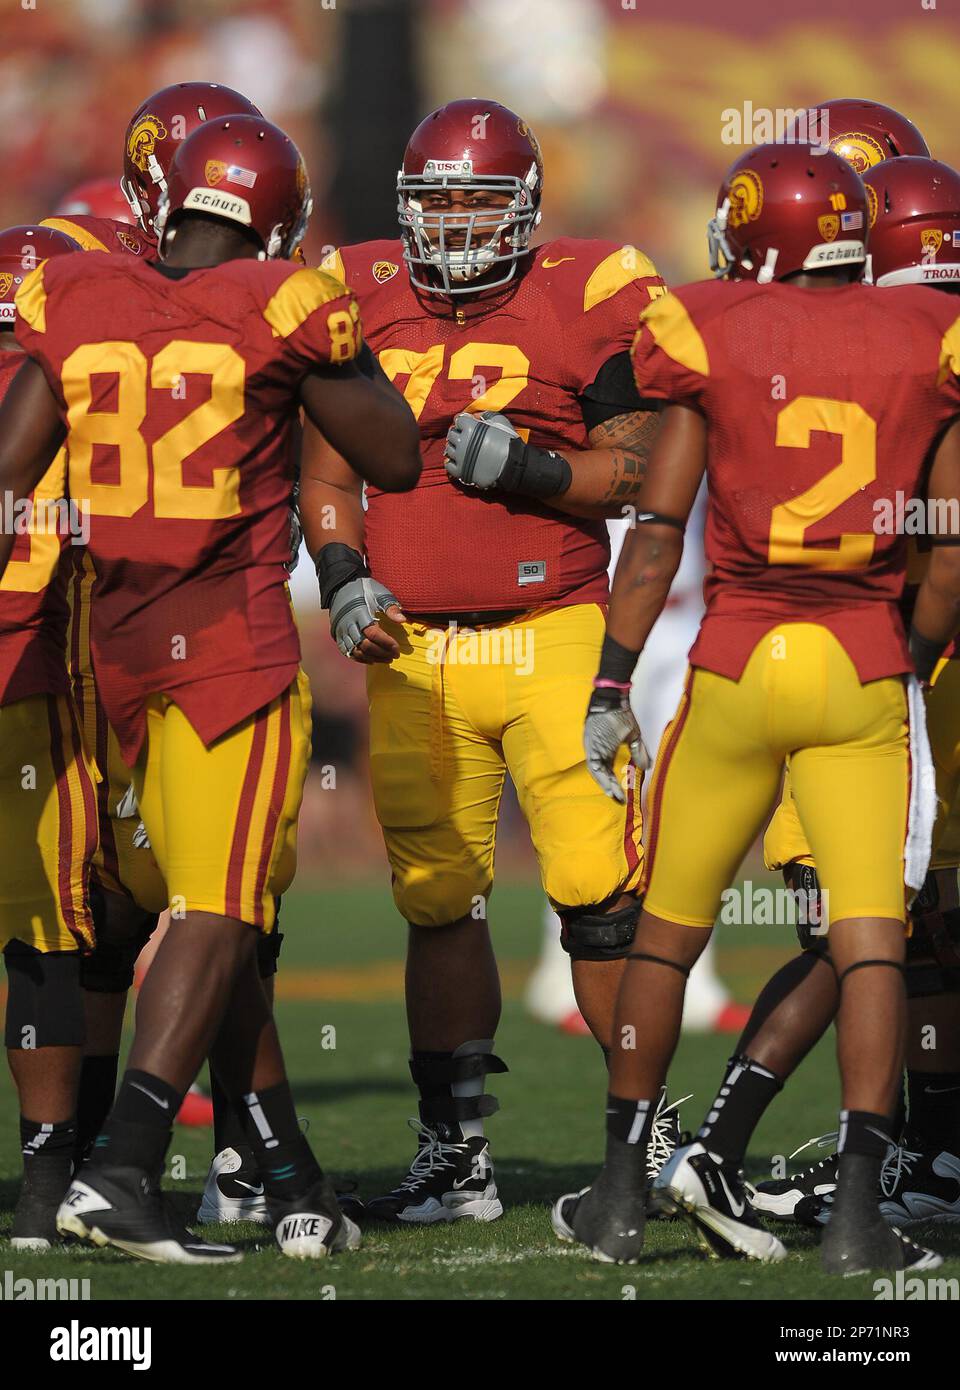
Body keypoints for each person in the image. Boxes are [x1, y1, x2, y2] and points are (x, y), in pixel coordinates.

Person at [0, 114, 421, 1263]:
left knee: (167, 907)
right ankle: (126, 1169)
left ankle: (275, 1167)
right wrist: (327, 352)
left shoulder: (78, 294)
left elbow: (6, 473)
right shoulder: (285, 304)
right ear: (277, 220)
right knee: (225, 905)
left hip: (112, 654)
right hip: (227, 646)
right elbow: (394, 455)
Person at [557, 140, 960, 1275]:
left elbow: (652, 539)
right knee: (871, 943)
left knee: (669, 935)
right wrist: (905, 659)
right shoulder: (928, 338)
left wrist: (608, 680)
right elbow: (947, 555)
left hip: (736, 662)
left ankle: (623, 1196)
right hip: (859, 663)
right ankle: (858, 1218)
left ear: (753, 239)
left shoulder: (708, 328)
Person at [301, 97, 676, 1223]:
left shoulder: (588, 290)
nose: (455, 228)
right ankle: (452, 1152)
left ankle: (640, 1143)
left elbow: (649, 473)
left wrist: (541, 472)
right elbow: (327, 476)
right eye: (436, 205)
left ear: (525, 209)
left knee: (603, 902)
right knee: (437, 904)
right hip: (413, 643)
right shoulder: (355, 292)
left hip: (555, 626)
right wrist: (342, 574)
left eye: (477, 203)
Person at [0, 224, 96, 1249]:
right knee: (44, 933)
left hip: (35, 672)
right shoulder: (91, 394)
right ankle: (47, 1182)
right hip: (36, 678)